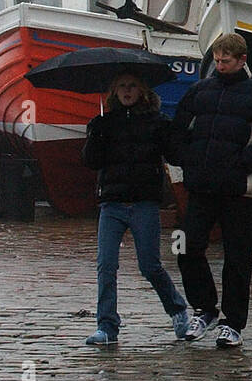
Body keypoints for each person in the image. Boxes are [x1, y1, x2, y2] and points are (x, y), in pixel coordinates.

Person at [173, 32, 252, 348]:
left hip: (239, 189)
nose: (221, 65)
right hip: (202, 186)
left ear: (242, 60)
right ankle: (205, 309)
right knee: (187, 247)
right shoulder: (200, 91)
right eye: (218, 60)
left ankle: (233, 323)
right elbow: (178, 130)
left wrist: (242, 162)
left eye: (226, 61)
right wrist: (188, 160)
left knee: (238, 259)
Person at [81, 73, 189, 345]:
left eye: (132, 87)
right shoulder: (105, 124)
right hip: (112, 203)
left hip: (144, 203)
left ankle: (177, 308)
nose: (127, 92)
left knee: (150, 265)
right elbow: (91, 161)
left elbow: (176, 155)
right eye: (121, 87)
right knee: (106, 265)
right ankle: (107, 326)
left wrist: (174, 133)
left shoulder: (157, 123)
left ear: (141, 91)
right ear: (114, 92)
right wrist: (95, 134)